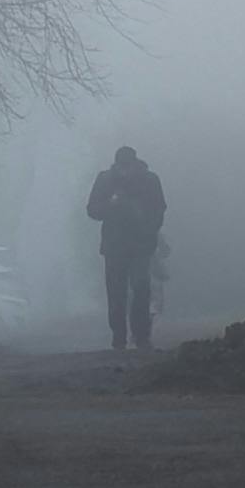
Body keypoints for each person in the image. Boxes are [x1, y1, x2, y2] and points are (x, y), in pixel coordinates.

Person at [86, 144, 167, 353]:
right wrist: (110, 205)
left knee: (141, 289)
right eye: (121, 166)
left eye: (127, 166)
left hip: (140, 245)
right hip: (114, 246)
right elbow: (92, 210)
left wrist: (149, 231)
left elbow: (159, 208)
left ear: (134, 164)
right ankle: (119, 339)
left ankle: (141, 337)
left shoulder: (149, 180)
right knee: (116, 294)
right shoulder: (105, 180)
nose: (124, 171)